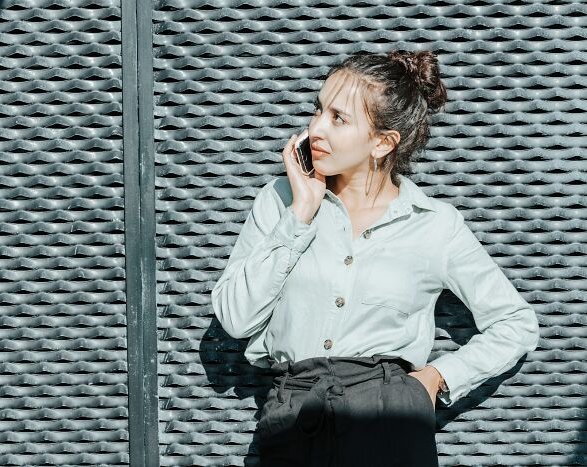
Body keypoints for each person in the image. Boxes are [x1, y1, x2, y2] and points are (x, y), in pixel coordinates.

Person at [210, 49, 540, 467]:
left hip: (390, 420)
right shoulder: (280, 201)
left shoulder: (434, 224)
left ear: (382, 143)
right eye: (318, 110)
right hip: (294, 417)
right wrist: (300, 215)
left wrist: (434, 380)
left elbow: (515, 323)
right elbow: (236, 319)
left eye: (339, 118)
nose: (315, 129)